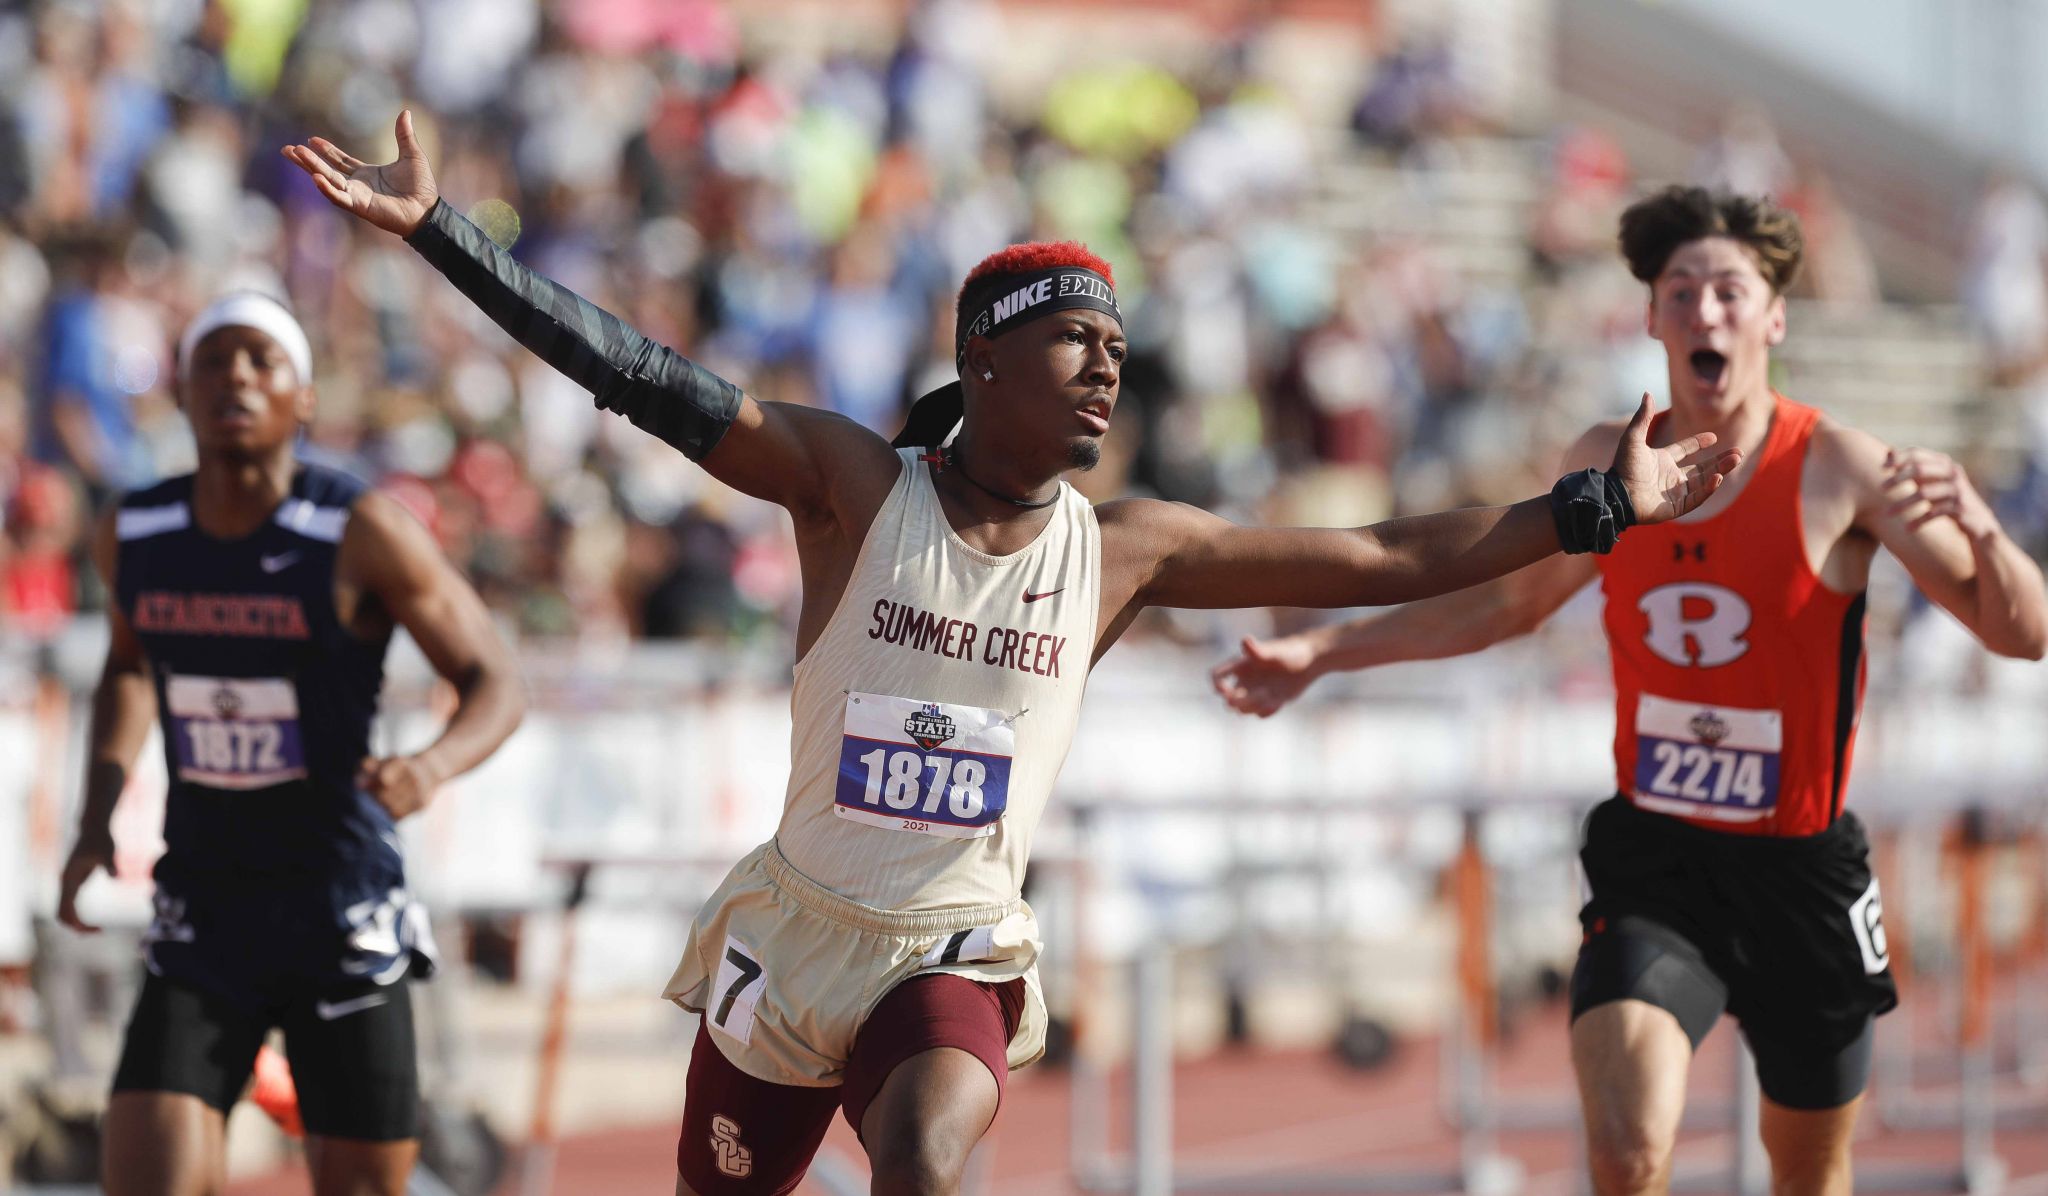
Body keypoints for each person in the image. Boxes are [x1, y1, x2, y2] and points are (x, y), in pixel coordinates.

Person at [281, 113, 1738, 1196]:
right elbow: (646, 382)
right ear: (981, 362)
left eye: (1118, 342)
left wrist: (1593, 508)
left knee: (922, 1156)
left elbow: (1385, 554)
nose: (1110, 364)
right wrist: (443, 237)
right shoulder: (856, 491)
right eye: (1074, 341)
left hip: (952, 947)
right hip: (791, 940)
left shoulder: (1129, 550)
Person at [1212, 185, 2048, 1196]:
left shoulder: (1838, 468)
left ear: (1772, 317)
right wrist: (1323, 653)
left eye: (1729, 291)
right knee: (1624, 1146)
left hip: (1799, 868)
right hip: (1656, 860)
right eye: (1679, 290)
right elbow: (1498, 608)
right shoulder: (1604, 465)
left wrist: (1987, 529)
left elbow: (2019, 632)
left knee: (1808, 1174)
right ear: (1650, 317)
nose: (1704, 311)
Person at [54, 290, 526, 1196]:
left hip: (339, 912)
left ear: (303, 398)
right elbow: (126, 667)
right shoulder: (136, 533)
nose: (235, 375)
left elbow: (497, 681)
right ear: (180, 394)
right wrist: (94, 818)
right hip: (204, 906)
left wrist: (430, 765)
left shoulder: (360, 531)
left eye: (261, 361)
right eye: (213, 361)